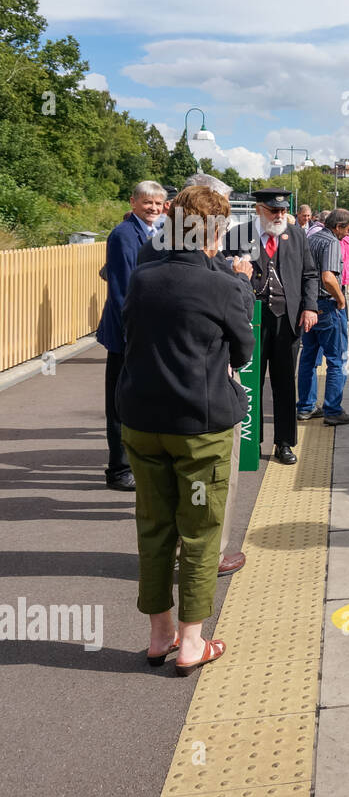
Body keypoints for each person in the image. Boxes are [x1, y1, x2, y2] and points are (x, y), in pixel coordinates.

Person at [116, 185, 254, 675]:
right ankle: (193, 643)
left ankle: (159, 635)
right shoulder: (223, 285)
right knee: (199, 532)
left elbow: (129, 335)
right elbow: (243, 352)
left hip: (141, 421)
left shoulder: (143, 277)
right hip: (199, 427)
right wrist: (241, 285)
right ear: (215, 233)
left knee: (154, 527)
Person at [223, 188, 319, 465]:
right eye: (273, 211)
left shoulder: (297, 235)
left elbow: (310, 274)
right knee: (250, 382)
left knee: (285, 382)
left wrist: (310, 307)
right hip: (249, 320)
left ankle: (285, 442)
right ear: (258, 210)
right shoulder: (238, 235)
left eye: (283, 210)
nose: (279, 215)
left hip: (286, 321)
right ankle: (249, 443)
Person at [96, 180, 166, 491]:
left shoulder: (158, 233)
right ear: (133, 202)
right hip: (128, 334)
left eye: (158, 203)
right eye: (147, 202)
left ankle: (135, 465)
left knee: (139, 402)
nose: (153, 208)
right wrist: (140, 332)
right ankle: (118, 469)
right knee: (119, 404)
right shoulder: (123, 235)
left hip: (145, 331)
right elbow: (124, 290)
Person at [296, 210, 349, 425]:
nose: (348, 234)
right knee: (337, 360)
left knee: (308, 358)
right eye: (347, 230)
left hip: (309, 306)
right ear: (337, 226)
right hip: (327, 306)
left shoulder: (311, 238)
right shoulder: (331, 243)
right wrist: (340, 299)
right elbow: (328, 277)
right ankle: (333, 410)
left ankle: (306, 407)